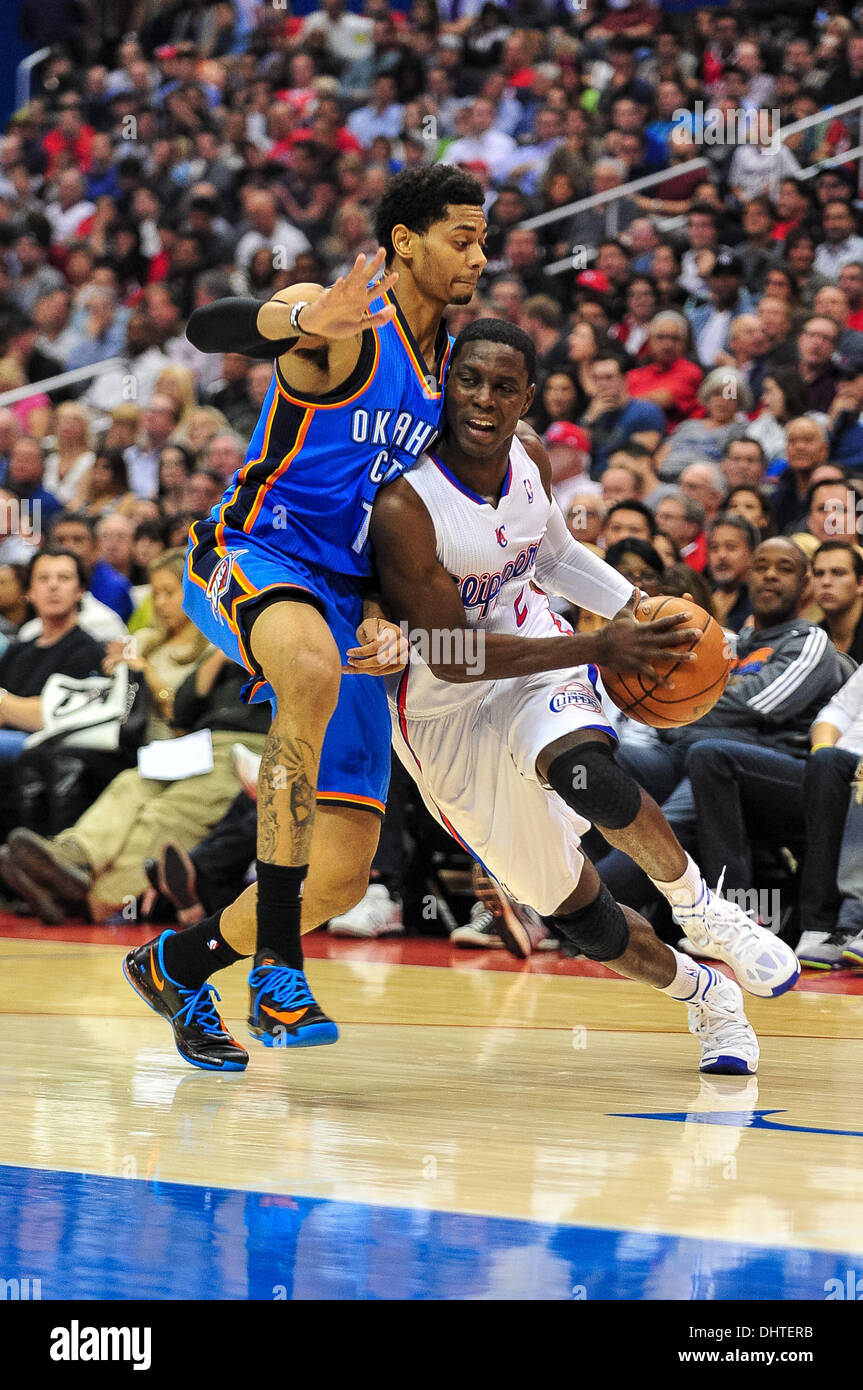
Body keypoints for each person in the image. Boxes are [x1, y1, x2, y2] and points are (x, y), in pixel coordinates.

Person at [122, 166, 489, 1070]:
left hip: (348, 596)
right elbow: (207, 327)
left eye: (482, 241)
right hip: (253, 551)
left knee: (339, 874)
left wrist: (396, 612)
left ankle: (177, 963)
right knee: (311, 671)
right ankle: (277, 971)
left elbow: (403, 525)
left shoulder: (450, 369)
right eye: (461, 238)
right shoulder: (339, 322)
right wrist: (295, 321)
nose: (478, 257)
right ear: (404, 241)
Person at [365, 320, 801, 1070]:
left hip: (535, 659)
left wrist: (643, 613)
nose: (483, 400)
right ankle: (705, 996)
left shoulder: (530, 458)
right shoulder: (407, 504)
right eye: (468, 380)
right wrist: (597, 645)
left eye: (504, 387)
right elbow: (450, 653)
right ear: (444, 384)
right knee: (579, 916)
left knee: (585, 771)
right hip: (441, 710)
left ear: (526, 396)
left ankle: (705, 915)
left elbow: (558, 557)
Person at [812, 541, 863, 665]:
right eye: (819, 573)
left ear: (861, 584)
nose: (826, 581)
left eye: (838, 573)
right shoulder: (813, 637)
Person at [706, 513, 756, 632]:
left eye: (731, 547)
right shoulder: (703, 597)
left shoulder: (760, 603)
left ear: (751, 554)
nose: (721, 555)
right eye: (714, 548)